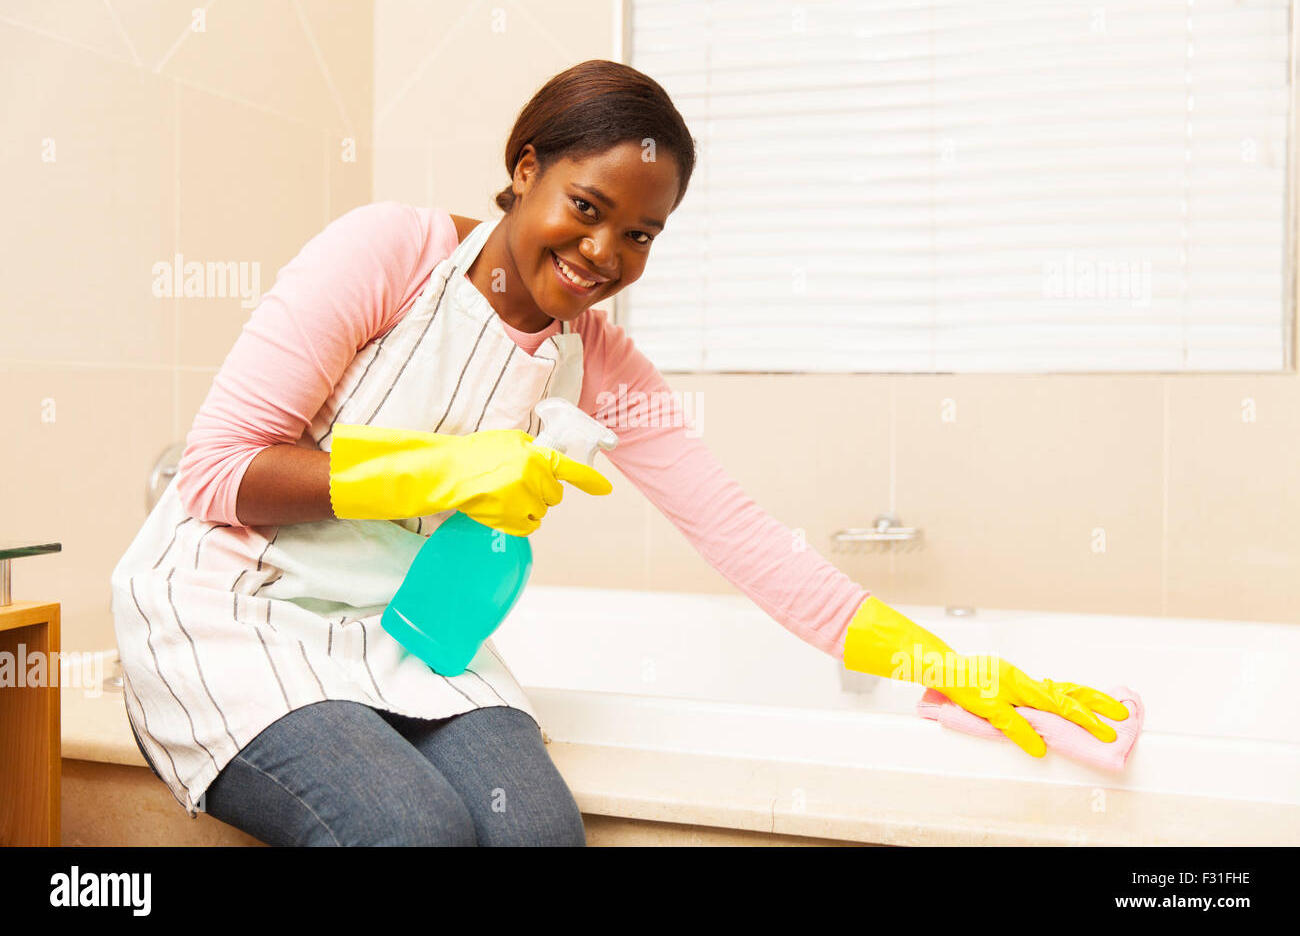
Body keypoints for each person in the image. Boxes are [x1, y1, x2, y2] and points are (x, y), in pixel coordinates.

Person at [110, 59, 1126, 848]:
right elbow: (216, 474)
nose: (604, 254)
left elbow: (749, 543)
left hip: (401, 634)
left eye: (640, 234)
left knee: (536, 830)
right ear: (525, 172)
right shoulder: (388, 253)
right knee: (412, 830)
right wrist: (438, 470)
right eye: (586, 208)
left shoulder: (595, 361)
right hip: (236, 615)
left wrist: (947, 663)